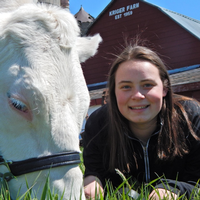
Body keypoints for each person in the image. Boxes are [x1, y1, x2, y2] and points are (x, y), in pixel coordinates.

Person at [83, 43, 200, 199]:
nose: (137, 95)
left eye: (147, 85)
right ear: (114, 92)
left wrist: (173, 189)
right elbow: (94, 170)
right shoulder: (97, 123)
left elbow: (196, 180)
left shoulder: (191, 117)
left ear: (164, 88)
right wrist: (92, 182)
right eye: (126, 86)